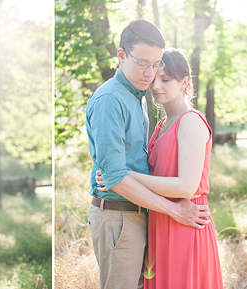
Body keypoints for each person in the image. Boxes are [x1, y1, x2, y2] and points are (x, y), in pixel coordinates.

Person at [84, 19, 210, 289]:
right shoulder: (111, 100)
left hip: (149, 216)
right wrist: (173, 210)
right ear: (121, 55)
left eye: (156, 66)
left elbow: (126, 170)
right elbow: (115, 176)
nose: (151, 76)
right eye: (143, 63)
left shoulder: (136, 98)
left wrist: (123, 174)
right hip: (121, 216)